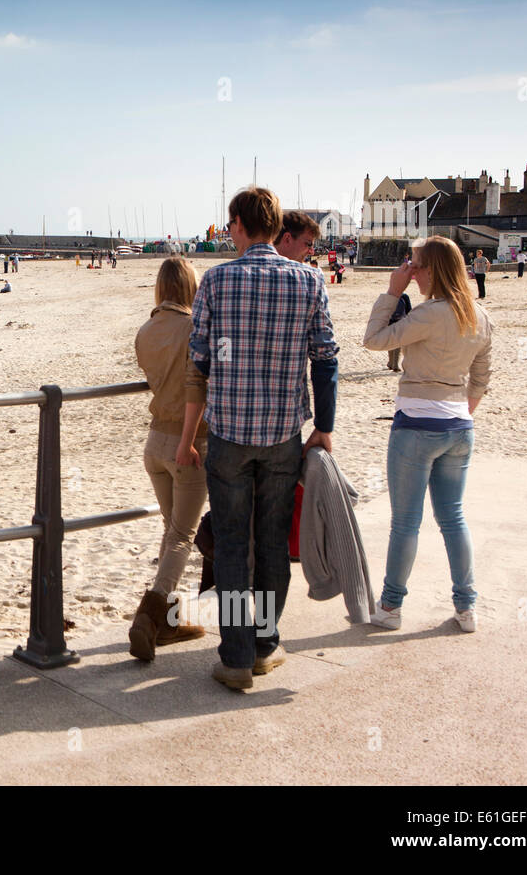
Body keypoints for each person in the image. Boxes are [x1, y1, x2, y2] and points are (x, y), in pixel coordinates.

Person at [179, 187, 338, 692]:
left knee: (230, 544)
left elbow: (199, 358)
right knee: (270, 543)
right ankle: (266, 645)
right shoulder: (310, 281)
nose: (228, 232)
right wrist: (325, 427)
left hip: (228, 433)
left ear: (242, 225)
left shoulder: (217, 280)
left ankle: (236, 654)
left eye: (230, 224)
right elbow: (326, 359)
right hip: (281, 435)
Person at [360, 236, 492, 633]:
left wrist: (391, 292)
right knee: (453, 518)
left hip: (417, 425)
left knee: (406, 522)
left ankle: (390, 607)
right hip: (458, 427)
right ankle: (466, 607)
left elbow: (373, 340)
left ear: (432, 269)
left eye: (415, 265)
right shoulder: (479, 315)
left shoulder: (430, 313)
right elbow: (481, 379)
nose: (410, 272)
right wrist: (457, 411)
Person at [128, 256, 207, 661]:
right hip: (187, 443)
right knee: (181, 536)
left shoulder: (146, 330)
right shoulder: (195, 328)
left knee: (172, 530)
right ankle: (150, 613)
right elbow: (198, 385)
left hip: (154, 441)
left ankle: (170, 622)